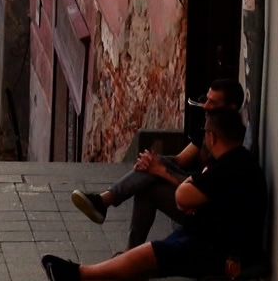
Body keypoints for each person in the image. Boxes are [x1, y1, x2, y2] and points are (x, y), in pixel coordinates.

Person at [42, 107, 265, 280]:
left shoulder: (227, 167)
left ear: (212, 137)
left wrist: (187, 186)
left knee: (150, 254)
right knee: (147, 254)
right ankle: (102, 261)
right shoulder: (237, 161)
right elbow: (193, 191)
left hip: (220, 250)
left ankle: (80, 274)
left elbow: (182, 197)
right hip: (208, 234)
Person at [71, 79, 245, 248]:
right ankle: (121, 236)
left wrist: (160, 171)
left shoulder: (230, 143)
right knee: (151, 173)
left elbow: (200, 191)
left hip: (205, 210)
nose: (206, 106)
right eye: (206, 99)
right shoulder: (209, 127)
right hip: (192, 185)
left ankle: (110, 211)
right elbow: (180, 160)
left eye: (213, 103)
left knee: (150, 185)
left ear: (231, 109)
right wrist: (151, 162)